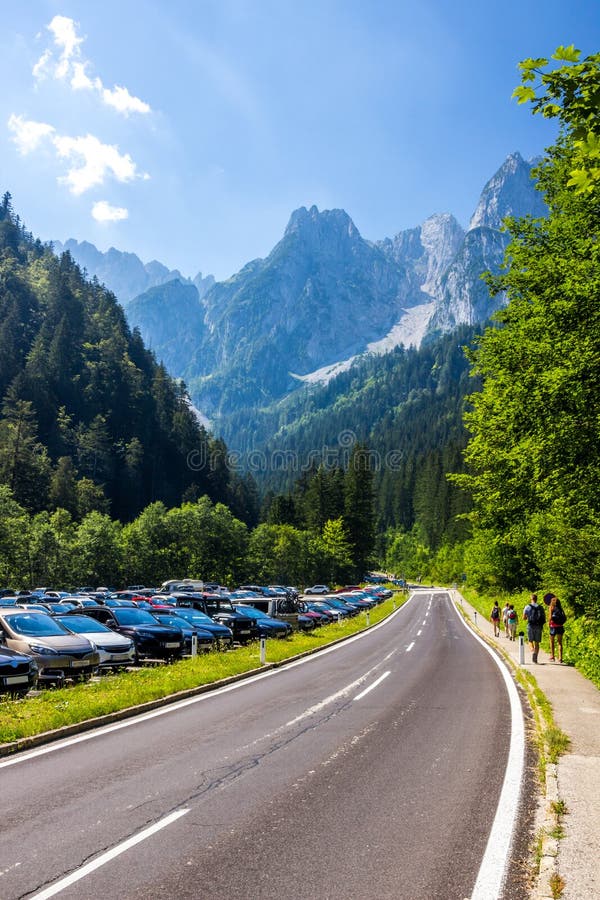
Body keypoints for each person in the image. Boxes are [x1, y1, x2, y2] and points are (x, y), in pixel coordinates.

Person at [523, 593, 546, 663]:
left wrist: (528, 617)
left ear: (531, 599)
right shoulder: (541, 607)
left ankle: (532, 650)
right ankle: (535, 656)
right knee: (537, 642)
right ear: (536, 599)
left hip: (530, 625)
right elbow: (543, 618)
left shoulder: (527, 607)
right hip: (539, 626)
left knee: (530, 641)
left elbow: (524, 618)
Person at [548, 595, 567, 663]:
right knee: (560, 643)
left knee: (552, 642)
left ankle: (552, 656)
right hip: (560, 626)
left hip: (553, 627)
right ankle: (560, 658)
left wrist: (549, 623)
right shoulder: (561, 608)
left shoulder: (551, 608)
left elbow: (550, 618)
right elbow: (565, 617)